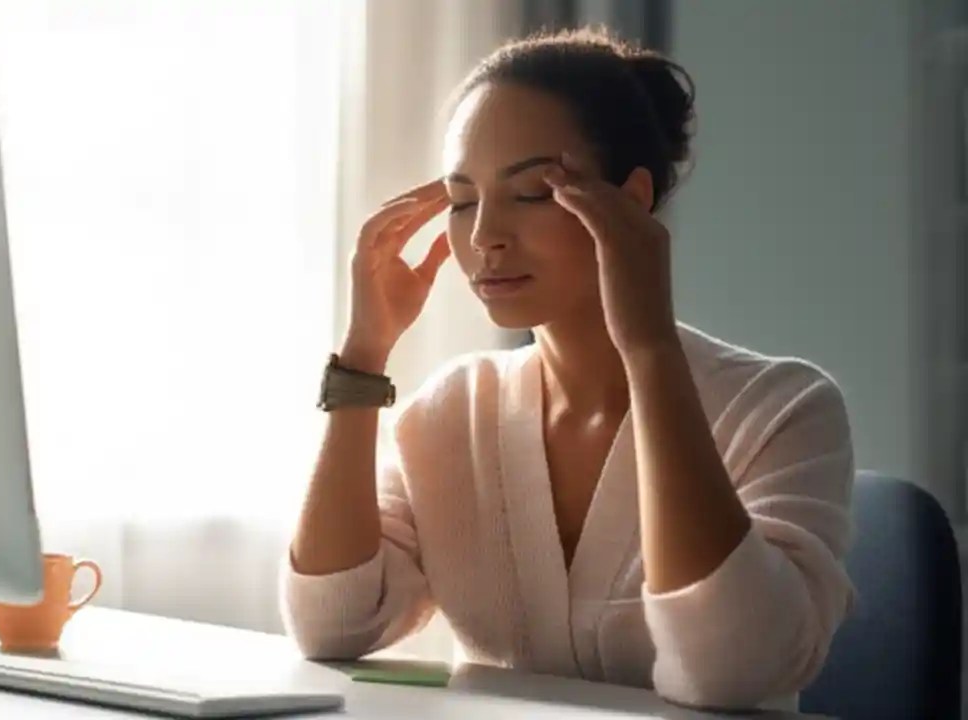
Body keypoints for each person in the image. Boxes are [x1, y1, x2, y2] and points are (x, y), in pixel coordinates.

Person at [281, 27, 855, 712]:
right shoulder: (449, 412)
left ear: (631, 200)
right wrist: (364, 356)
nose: (486, 235)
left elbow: (732, 670)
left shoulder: (783, 409)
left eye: (529, 193)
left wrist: (648, 349)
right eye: (462, 201)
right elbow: (331, 623)